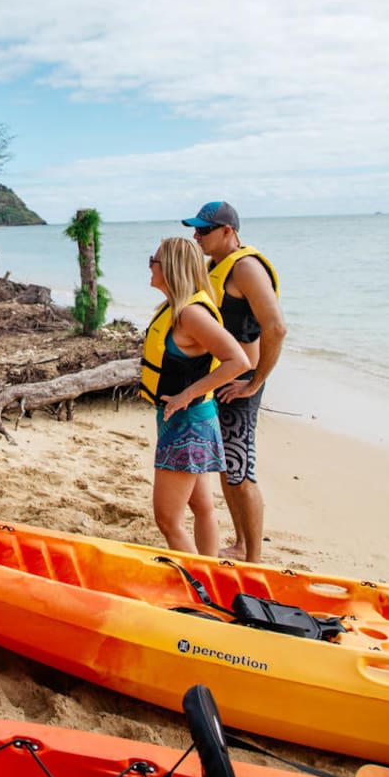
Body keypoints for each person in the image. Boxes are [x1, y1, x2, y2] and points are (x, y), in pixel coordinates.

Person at [182, 201, 286, 563]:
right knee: (228, 465)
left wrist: (255, 382)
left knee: (241, 470)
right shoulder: (217, 264)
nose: (197, 237)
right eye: (195, 230)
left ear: (228, 231)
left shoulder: (246, 268)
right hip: (223, 377)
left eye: (203, 230)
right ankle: (241, 544)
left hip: (240, 383)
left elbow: (276, 327)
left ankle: (253, 559)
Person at [140, 237, 249, 556]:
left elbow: (238, 361)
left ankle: (197, 579)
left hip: (187, 425)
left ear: (171, 268)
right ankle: (211, 572)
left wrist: (185, 395)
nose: (149, 266)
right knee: (202, 506)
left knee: (168, 520)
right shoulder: (176, 309)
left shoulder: (191, 315)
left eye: (153, 261)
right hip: (192, 420)